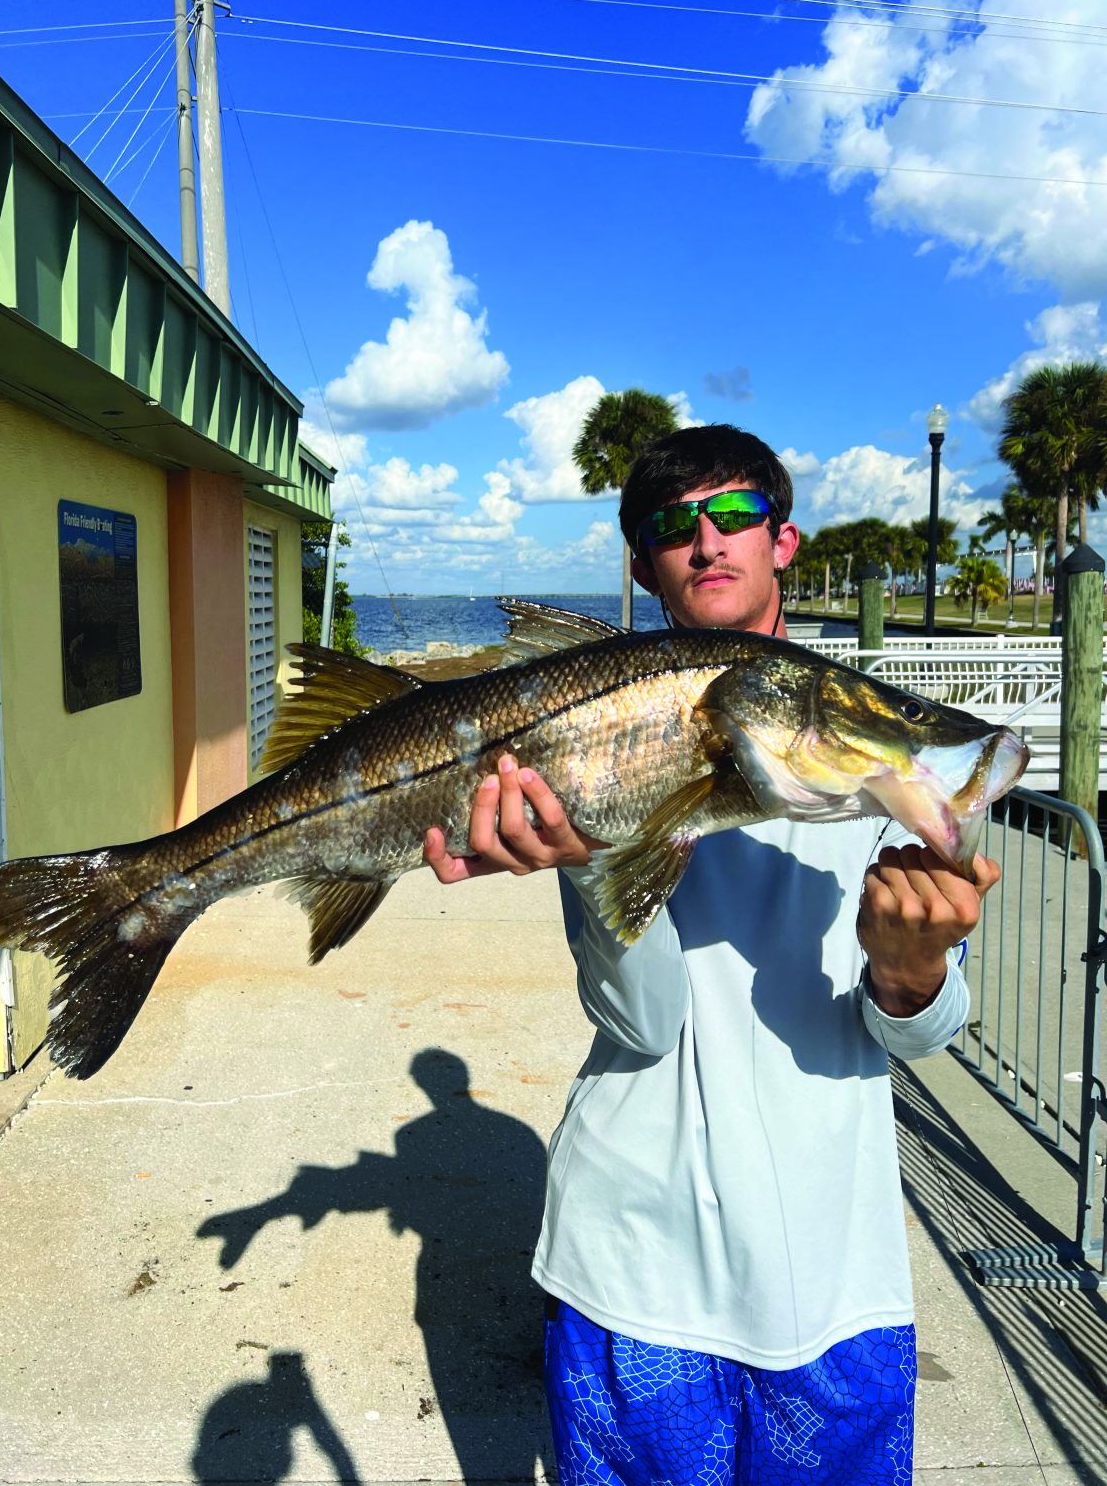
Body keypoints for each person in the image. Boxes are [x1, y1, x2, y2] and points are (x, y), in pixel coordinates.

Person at [423, 424, 999, 1485]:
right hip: (633, 1263)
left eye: (734, 515)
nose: (707, 542)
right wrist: (594, 865)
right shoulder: (608, 734)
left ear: (783, 541)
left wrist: (912, 969)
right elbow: (642, 1022)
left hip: (836, 1276)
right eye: (671, 528)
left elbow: (925, 1028)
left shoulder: (870, 737)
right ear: (642, 566)